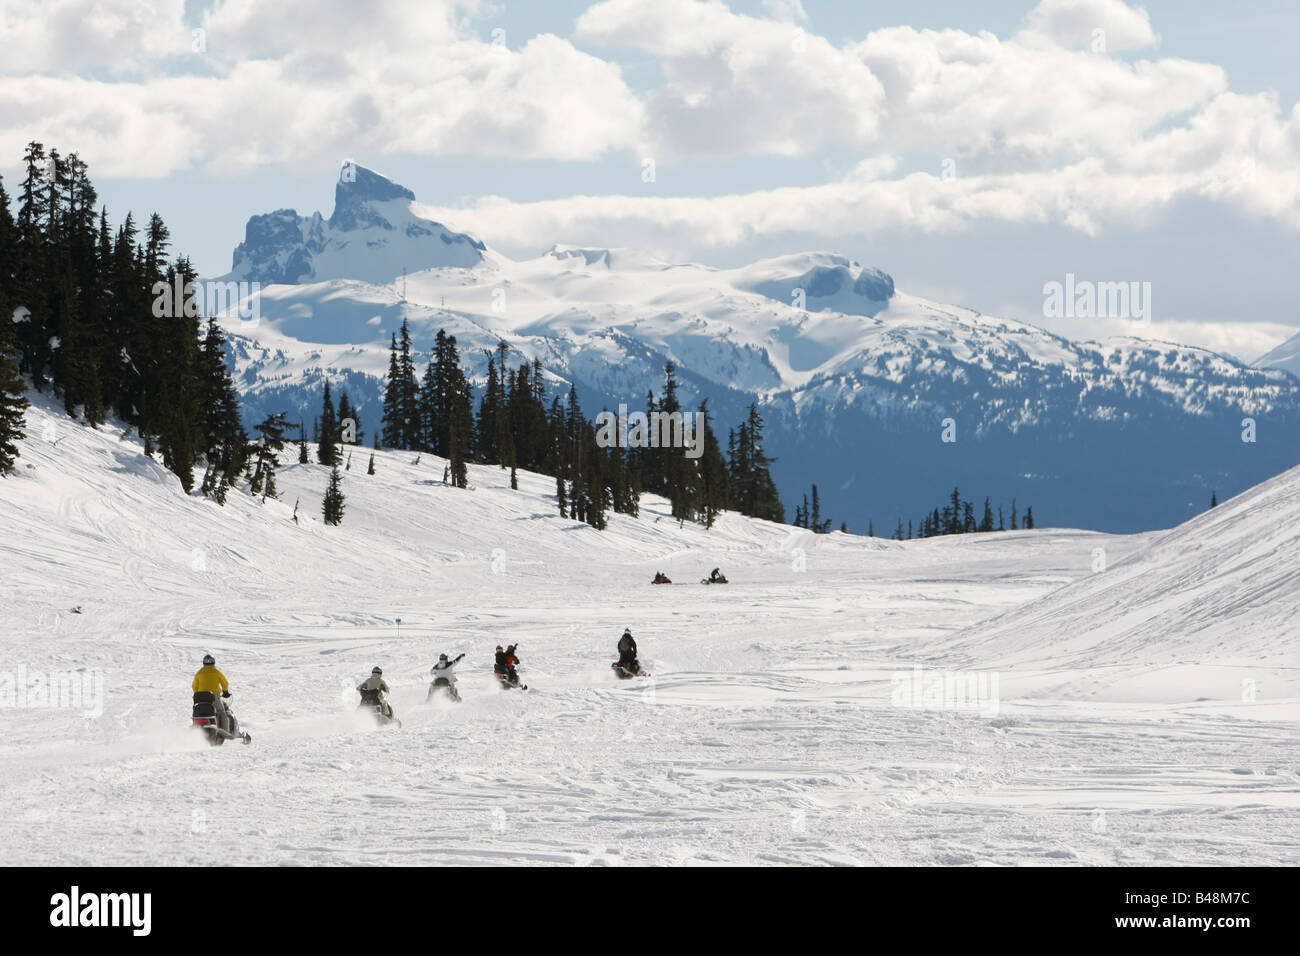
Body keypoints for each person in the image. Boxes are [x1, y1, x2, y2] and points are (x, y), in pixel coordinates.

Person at [192, 653, 232, 733]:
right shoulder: (216, 671)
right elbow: (225, 683)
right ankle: (225, 731)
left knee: (198, 712)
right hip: (214, 696)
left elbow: (194, 686)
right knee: (222, 713)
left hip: (200, 698)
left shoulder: (199, 673)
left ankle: (195, 727)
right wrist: (225, 692)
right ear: (213, 662)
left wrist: (199, 693)